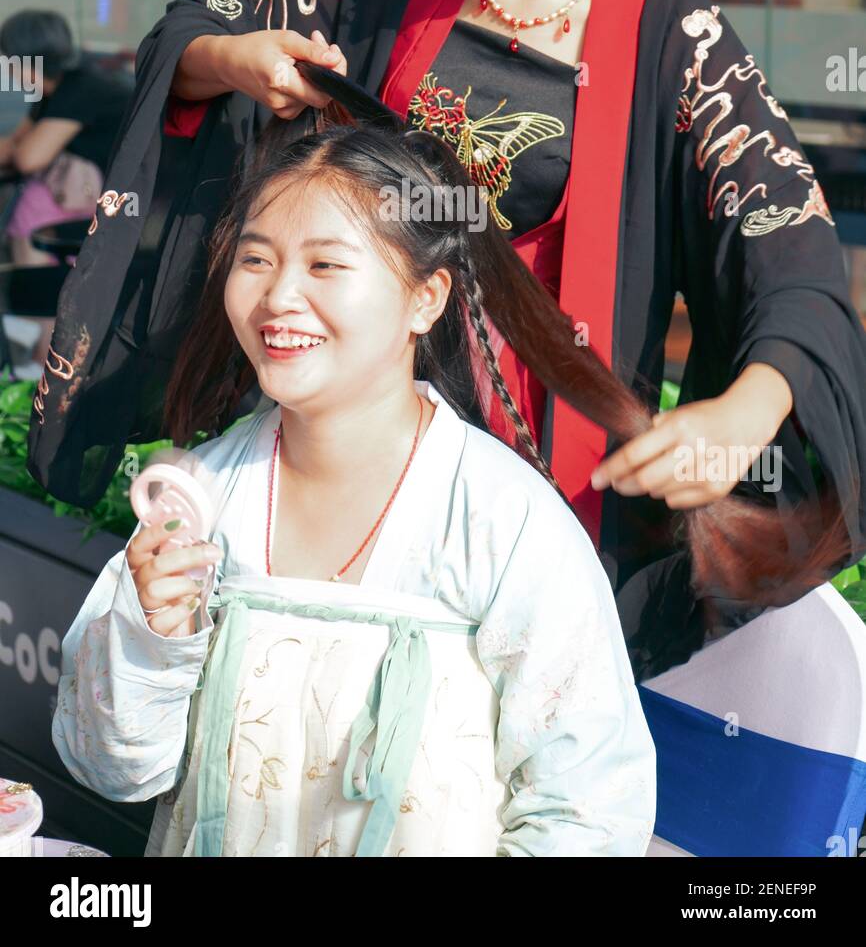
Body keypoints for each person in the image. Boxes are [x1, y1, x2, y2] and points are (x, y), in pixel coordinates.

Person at [29, 0, 866, 683]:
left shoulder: (672, 36)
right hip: (350, 431)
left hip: (539, 476)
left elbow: (790, 252)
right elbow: (194, 24)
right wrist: (234, 61)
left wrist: (741, 414)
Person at [52, 114, 658, 858]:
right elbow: (114, 768)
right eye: (256, 260)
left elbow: (590, 808)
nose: (279, 297)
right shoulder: (203, 501)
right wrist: (151, 634)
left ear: (424, 299)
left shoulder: (504, 520)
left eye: (327, 266)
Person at [0, 9, 131, 365]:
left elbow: (27, 157)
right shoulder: (56, 90)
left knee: (29, 216)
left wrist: (17, 149)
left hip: (111, 207)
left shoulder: (81, 89)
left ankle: (41, 361)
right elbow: (16, 144)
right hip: (85, 201)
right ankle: (36, 350)